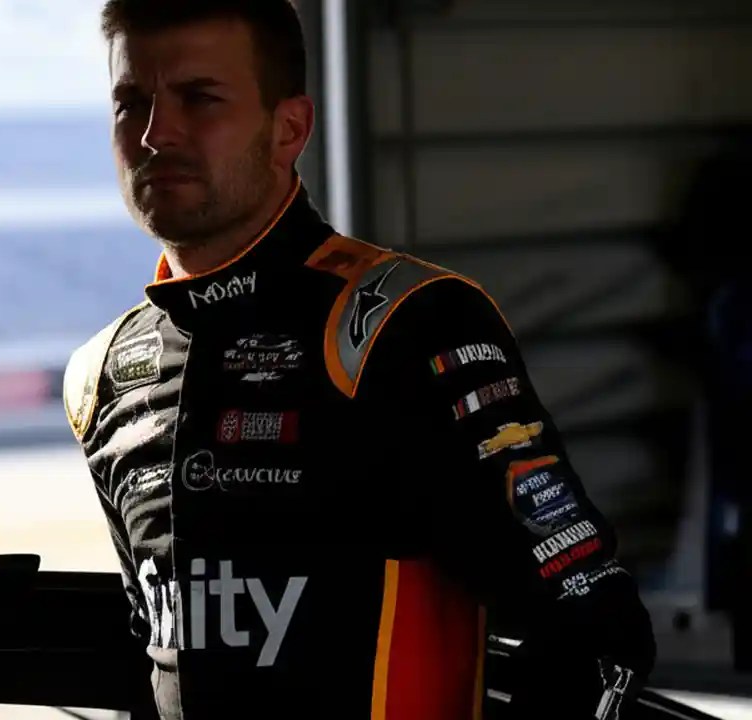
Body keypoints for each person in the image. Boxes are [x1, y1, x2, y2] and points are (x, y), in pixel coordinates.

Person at [61, 0, 656, 717]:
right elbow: (148, 658)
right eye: (131, 103)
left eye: (200, 97)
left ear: (291, 129)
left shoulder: (406, 323)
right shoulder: (104, 376)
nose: (157, 133)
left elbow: (596, 627)